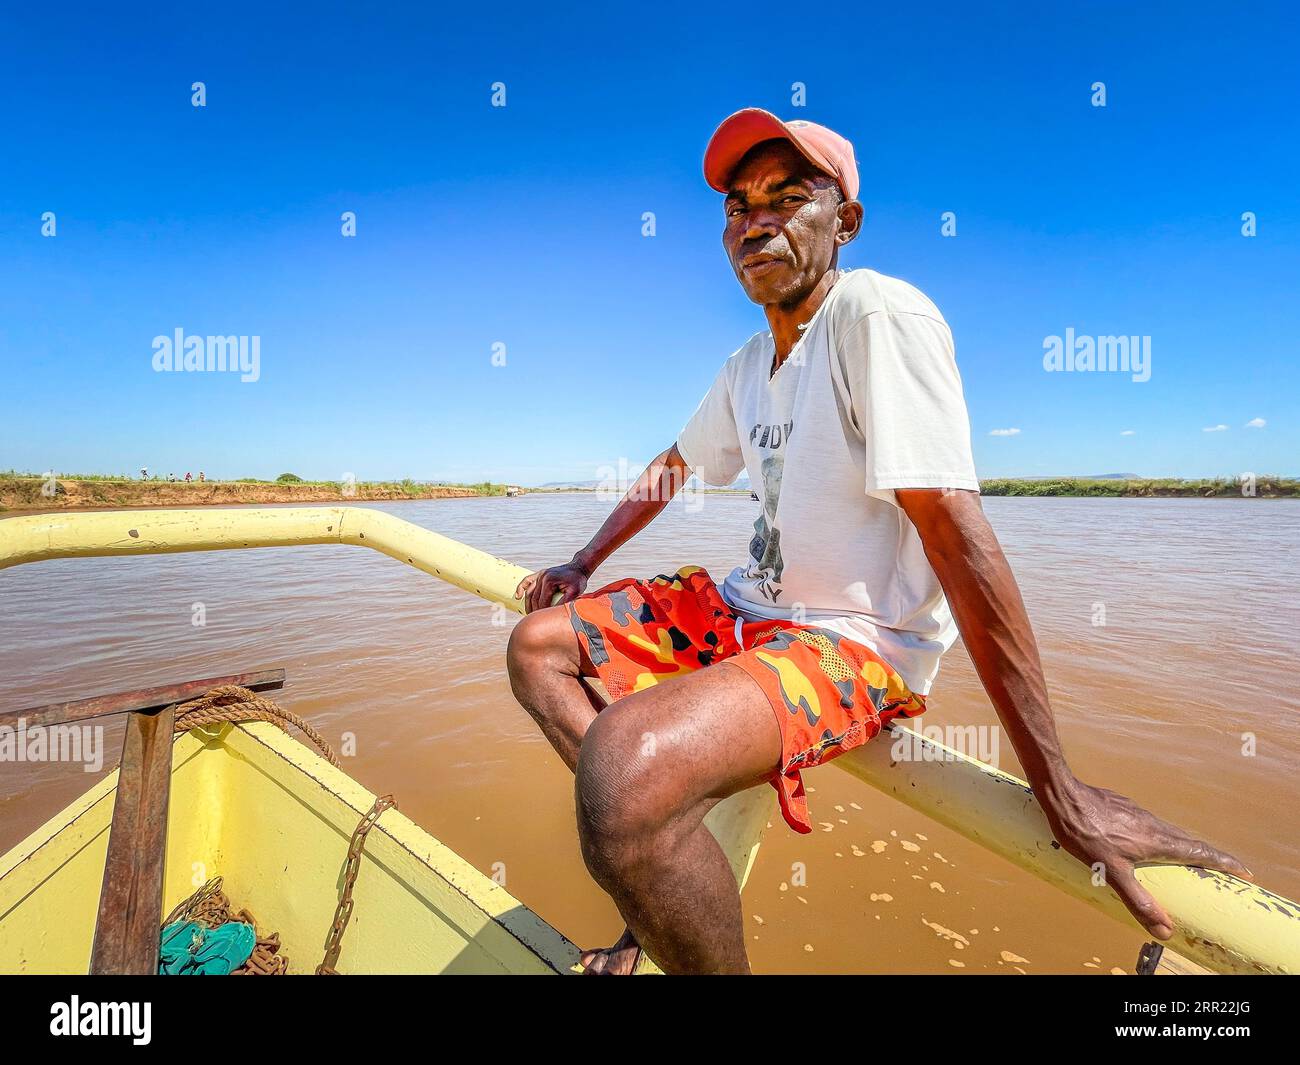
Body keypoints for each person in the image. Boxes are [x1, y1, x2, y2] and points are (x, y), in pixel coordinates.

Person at [508, 109, 1248, 975]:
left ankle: (648, 838)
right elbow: (673, 466)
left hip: (851, 642)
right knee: (537, 649)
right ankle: (659, 866)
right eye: (739, 206)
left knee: (625, 771)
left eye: (787, 198)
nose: (756, 221)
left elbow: (956, 539)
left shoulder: (875, 317)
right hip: (751, 607)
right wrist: (583, 561)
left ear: (844, 222)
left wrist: (1060, 789)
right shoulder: (750, 363)